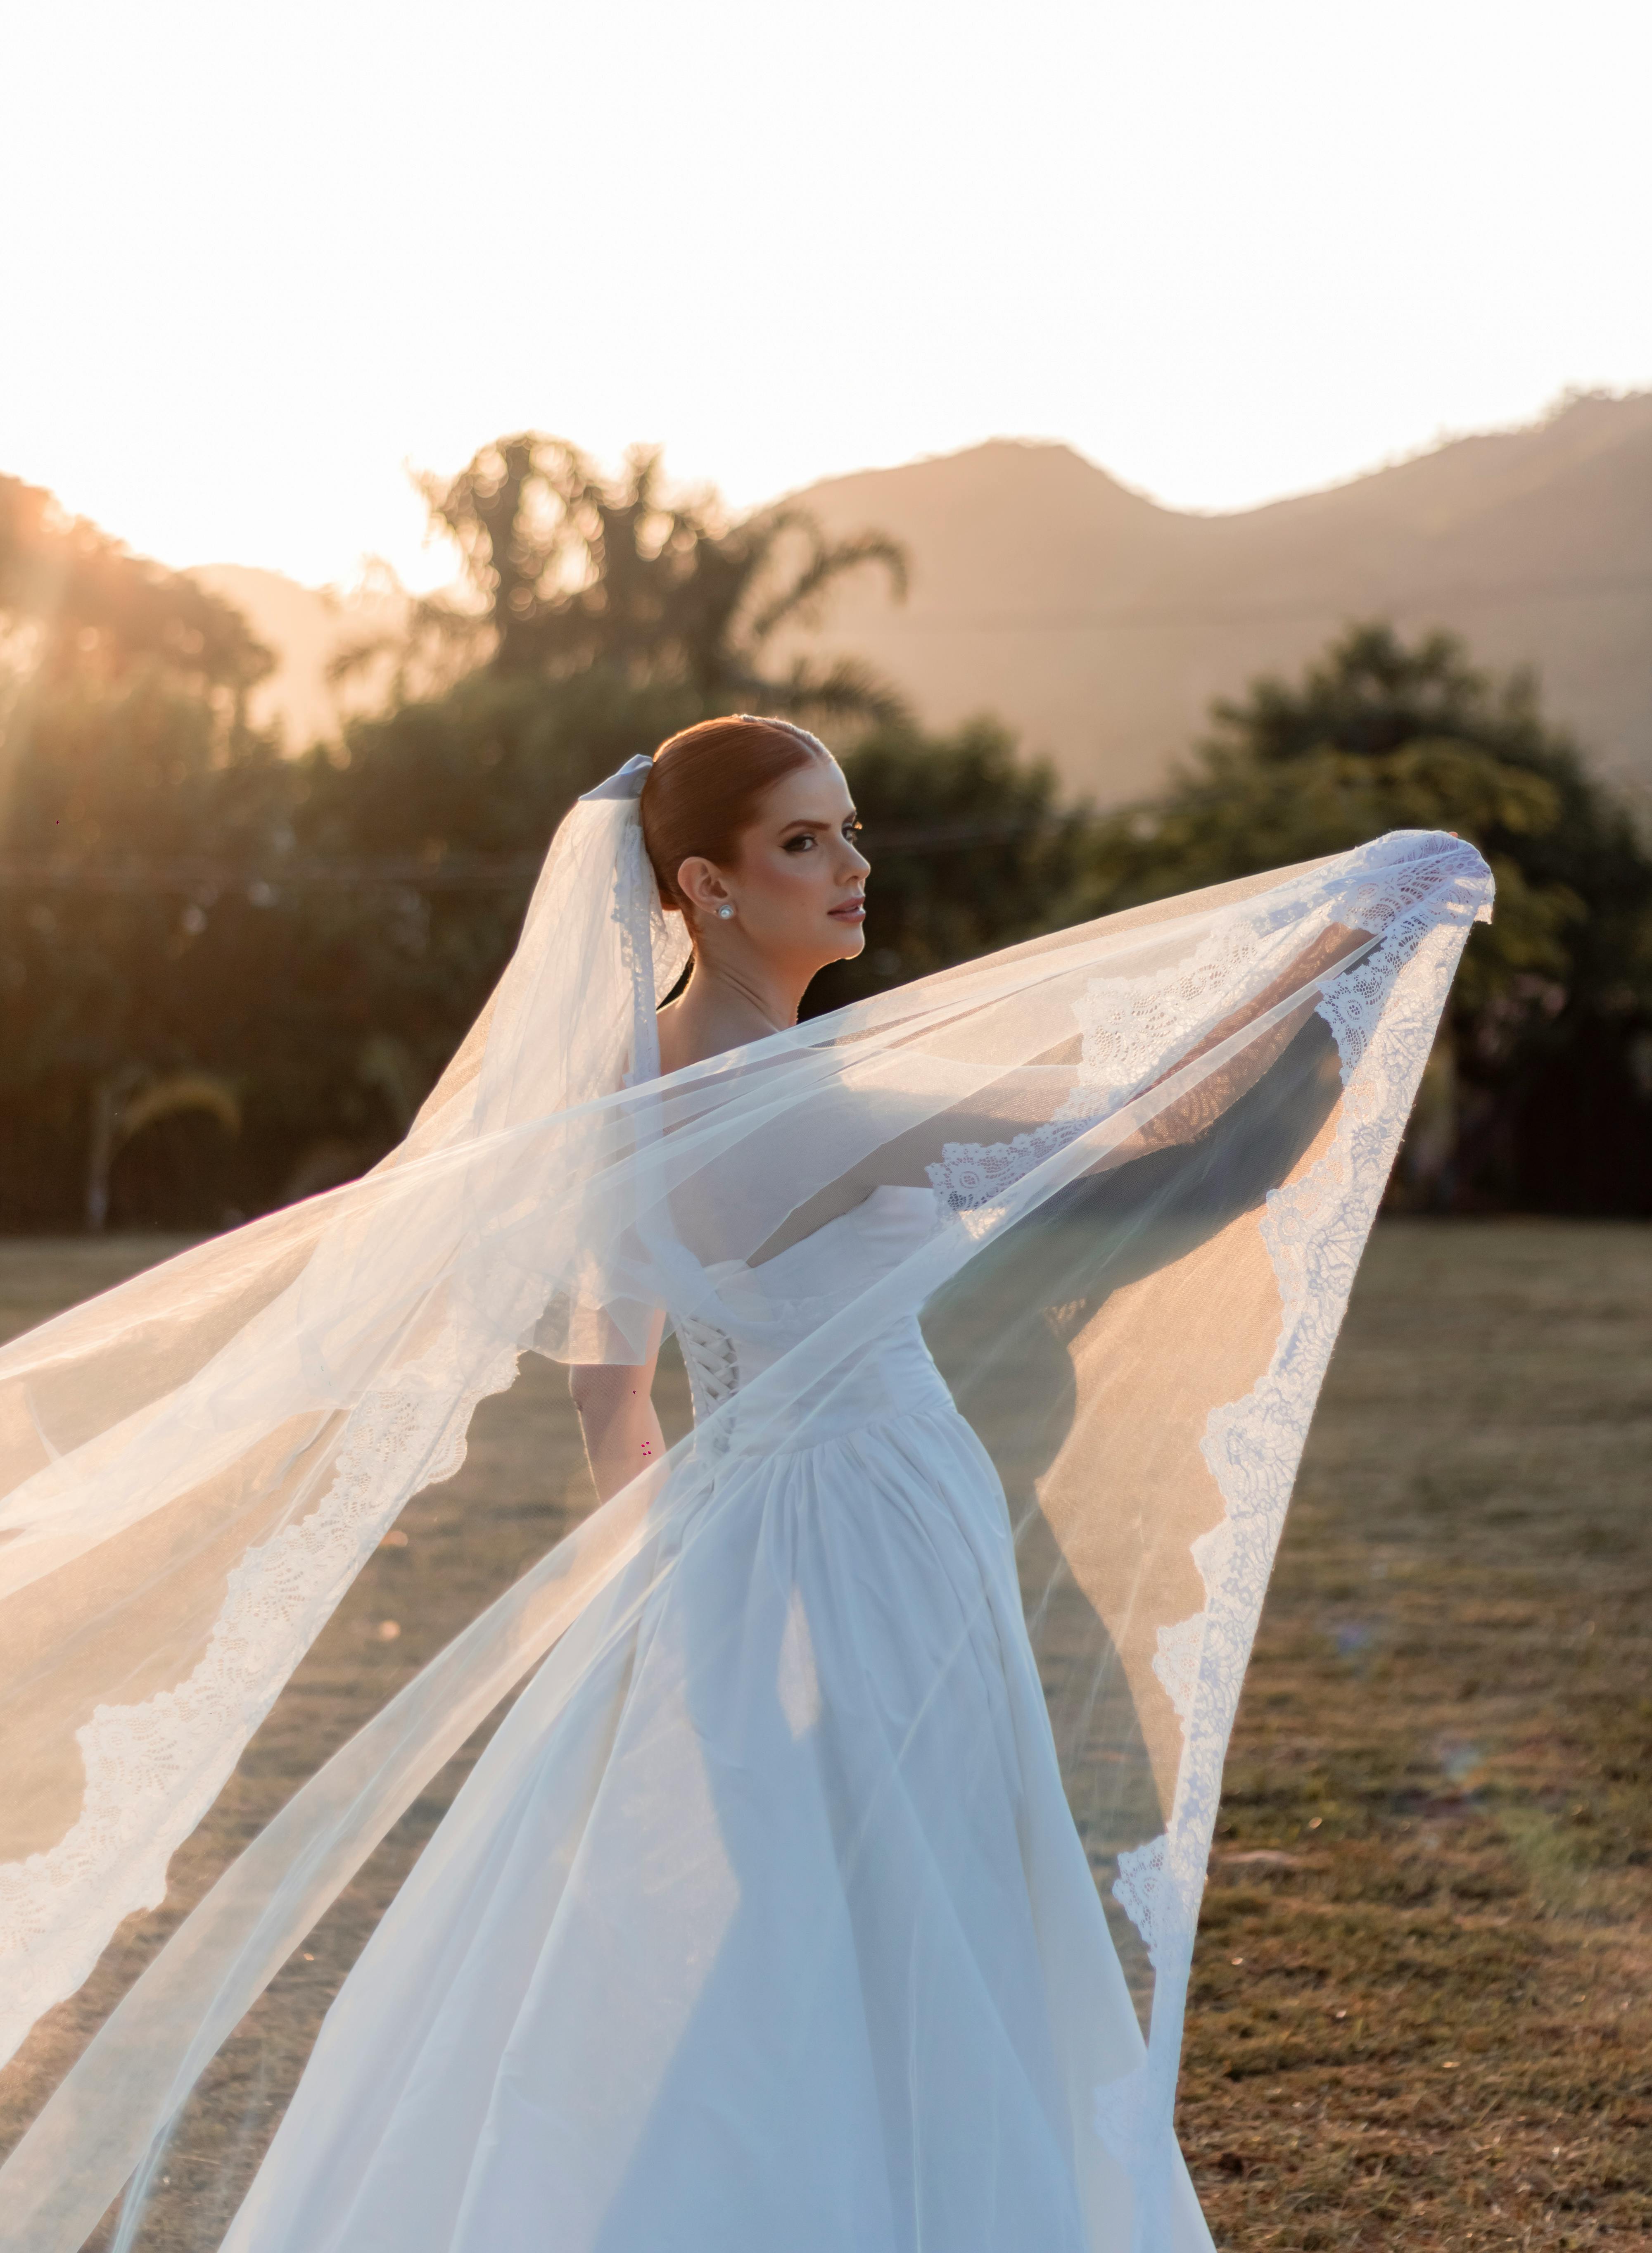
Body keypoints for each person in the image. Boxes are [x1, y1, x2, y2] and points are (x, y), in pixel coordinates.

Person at [0, 718, 1493, 2253]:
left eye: (850, 830)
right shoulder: (819, 1102)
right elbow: (1162, 1114)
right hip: (876, 1524)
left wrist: (653, 1563)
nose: (855, 867)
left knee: (732, 1909)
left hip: (724, 1532)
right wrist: (1349, 929)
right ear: (705, 885)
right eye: (806, 843)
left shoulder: (625, 1083)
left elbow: (606, 1379)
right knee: (911, 1908)